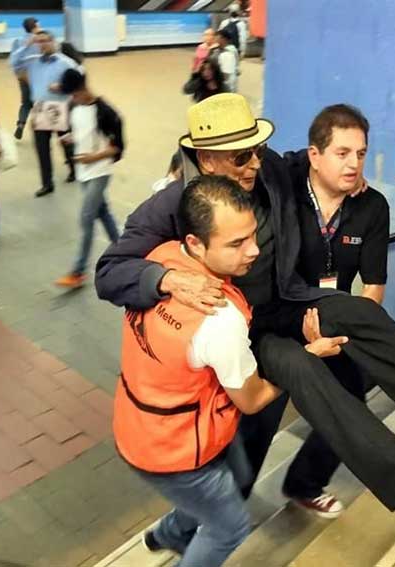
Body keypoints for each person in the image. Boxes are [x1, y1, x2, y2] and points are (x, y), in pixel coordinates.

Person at [95, 93, 395, 518]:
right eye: (242, 156)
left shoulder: (270, 172)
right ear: (207, 159)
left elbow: (310, 155)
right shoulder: (174, 205)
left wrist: (347, 170)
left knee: (361, 311)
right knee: (302, 372)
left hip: (289, 299)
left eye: (258, 149)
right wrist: (166, 278)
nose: (256, 163)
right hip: (244, 330)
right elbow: (109, 270)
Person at [118, 175, 286, 566]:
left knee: (238, 472)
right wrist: (307, 356)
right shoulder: (219, 318)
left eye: (252, 235)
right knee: (228, 527)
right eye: (236, 244)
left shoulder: (160, 261)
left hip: (141, 426)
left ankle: (169, 533)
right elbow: (254, 398)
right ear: (195, 242)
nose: (255, 251)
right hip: (176, 452)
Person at [278, 104, 390, 516]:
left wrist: (348, 334)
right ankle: (193, 519)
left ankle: (304, 483)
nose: (353, 163)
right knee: (252, 421)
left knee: (350, 404)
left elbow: (374, 284)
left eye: (360, 153)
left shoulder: (372, 207)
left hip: (334, 324)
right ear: (314, 155)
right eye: (342, 153)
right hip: (279, 320)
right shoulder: (286, 194)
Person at [54, 69, 123, 289]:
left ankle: (78, 271)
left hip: (99, 171)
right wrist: (70, 139)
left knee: (86, 218)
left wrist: (94, 157)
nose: (71, 99)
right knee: (102, 213)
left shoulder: (105, 112)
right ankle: (125, 249)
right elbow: (82, 132)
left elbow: (117, 147)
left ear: (82, 89)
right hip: (84, 172)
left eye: (73, 94)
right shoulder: (75, 107)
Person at [10, 30, 80, 197]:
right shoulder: (32, 62)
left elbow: (79, 81)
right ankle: (47, 183)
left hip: (60, 106)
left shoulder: (66, 63)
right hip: (40, 108)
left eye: (45, 41)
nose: (42, 44)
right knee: (42, 147)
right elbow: (14, 63)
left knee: (66, 143)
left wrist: (62, 87)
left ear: (53, 42)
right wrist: (26, 45)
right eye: (39, 41)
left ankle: (74, 169)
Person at [9, 17, 41, 139]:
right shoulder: (40, 41)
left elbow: (14, 61)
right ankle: (40, 129)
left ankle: (21, 124)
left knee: (25, 104)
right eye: (39, 26)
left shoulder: (17, 41)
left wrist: (18, 75)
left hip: (23, 76)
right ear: (34, 27)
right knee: (39, 103)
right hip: (37, 77)